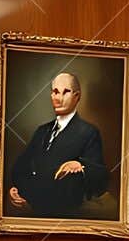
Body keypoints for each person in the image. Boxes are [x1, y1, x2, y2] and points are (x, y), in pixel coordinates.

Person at [6, 70, 109, 217]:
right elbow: (20, 167)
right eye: (55, 92)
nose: (58, 98)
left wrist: (81, 166)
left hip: (65, 216)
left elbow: (100, 178)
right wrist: (16, 189)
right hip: (34, 213)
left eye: (65, 92)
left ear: (77, 96)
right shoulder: (42, 131)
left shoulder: (89, 132)